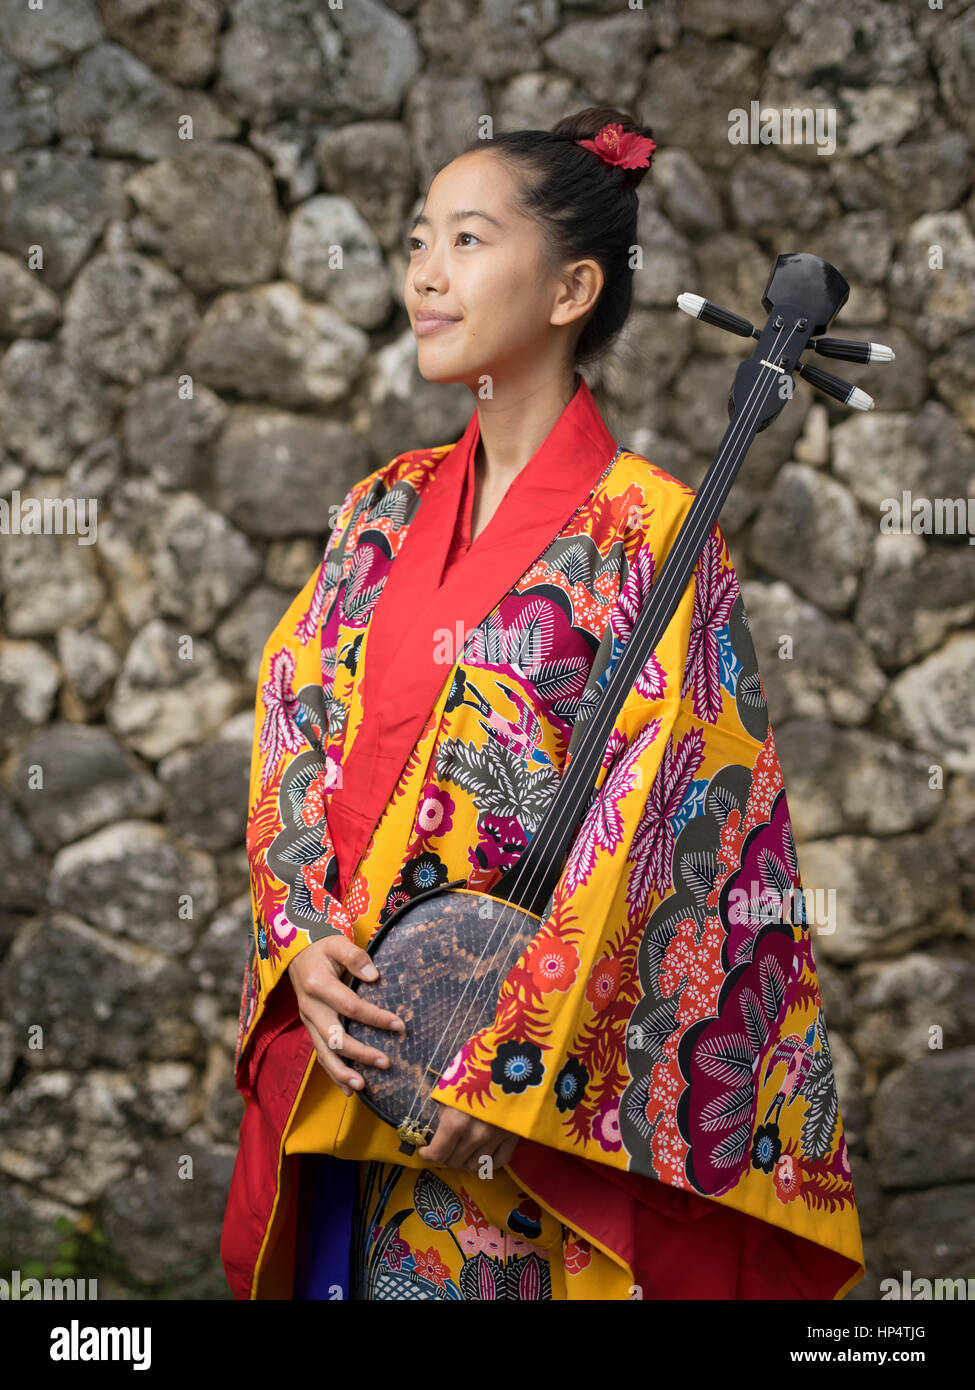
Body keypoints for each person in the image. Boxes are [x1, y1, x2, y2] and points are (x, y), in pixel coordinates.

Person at [220, 107, 866, 1301]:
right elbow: (293, 719)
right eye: (419, 239)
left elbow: (672, 832)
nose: (426, 271)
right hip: (356, 1039)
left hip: (524, 1101)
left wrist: (515, 1058)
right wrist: (302, 937)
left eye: (468, 239)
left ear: (572, 288)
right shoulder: (381, 507)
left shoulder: (653, 534)